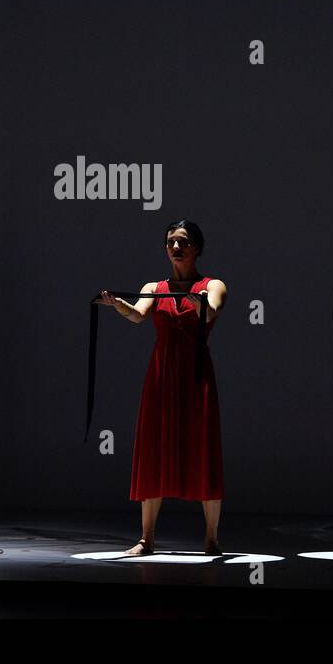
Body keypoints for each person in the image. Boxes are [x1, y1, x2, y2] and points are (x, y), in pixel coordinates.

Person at [97, 220, 227, 556]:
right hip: (161, 375)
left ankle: (211, 538)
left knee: (203, 450)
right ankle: (147, 538)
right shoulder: (154, 287)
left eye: (182, 242)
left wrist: (195, 298)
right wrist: (116, 304)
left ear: (196, 247)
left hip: (196, 376)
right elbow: (139, 315)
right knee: (153, 451)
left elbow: (211, 313)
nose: (175, 247)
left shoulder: (212, 284)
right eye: (170, 242)